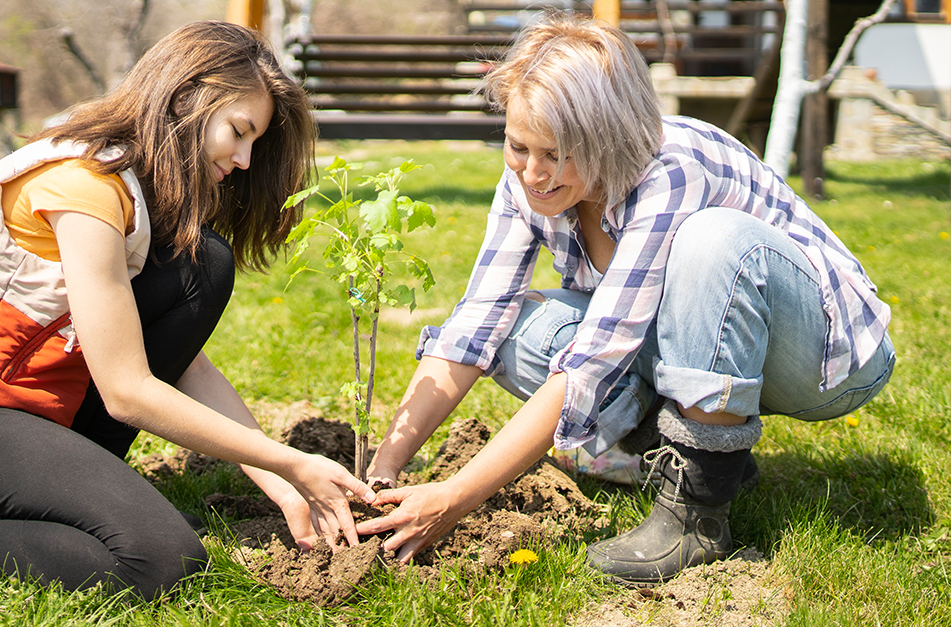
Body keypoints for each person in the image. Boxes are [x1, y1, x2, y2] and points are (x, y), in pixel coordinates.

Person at [0, 21, 375, 600]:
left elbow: (186, 367)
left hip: (36, 405)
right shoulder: (84, 186)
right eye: (239, 131)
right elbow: (126, 390)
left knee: (205, 264)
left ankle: (31, 494)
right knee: (159, 560)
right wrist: (291, 461)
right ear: (184, 99)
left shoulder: (140, 189)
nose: (246, 160)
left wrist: (277, 479)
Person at [357, 13, 894, 586]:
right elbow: (477, 323)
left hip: (822, 359)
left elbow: (594, 362)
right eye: (519, 146)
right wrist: (386, 467)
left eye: (556, 154)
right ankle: (711, 456)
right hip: (709, 345)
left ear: (606, 137)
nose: (533, 174)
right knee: (520, 327)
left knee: (712, 241)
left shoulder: (671, 169)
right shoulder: (526, 180)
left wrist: (455, 497)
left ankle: (697, 517)